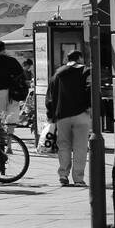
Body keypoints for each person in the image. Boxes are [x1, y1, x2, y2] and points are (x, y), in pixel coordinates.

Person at [46, 50, 91, 187]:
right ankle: (78, 178)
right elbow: (90, 88)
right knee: (80, 147)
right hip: (81, 114)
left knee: (63, 145)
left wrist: (51, 114)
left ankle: (63, 175)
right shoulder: (85, 71)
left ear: (68, 59)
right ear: (80, 58)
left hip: (62, 115)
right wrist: (89, 106)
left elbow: (50, 95)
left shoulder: (58, 73)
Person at [0, 41, 27, 124]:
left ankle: (0, 134)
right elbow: (22, 76)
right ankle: (10, 133)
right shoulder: (13, 60)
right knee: (12, 114)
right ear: (4, 49)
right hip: (14, 92)